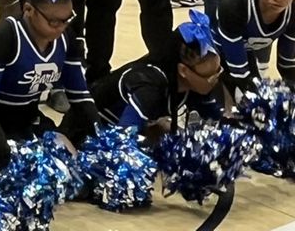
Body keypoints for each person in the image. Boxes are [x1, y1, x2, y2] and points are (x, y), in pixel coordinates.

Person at [0, 0, 97, 168]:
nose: (61, 28)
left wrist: (103, 137)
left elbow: (80, 96)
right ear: (28, 10)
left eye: (67, 20)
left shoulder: (66, 39)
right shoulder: (5, 37)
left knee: (73, 170)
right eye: (54, 21)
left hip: (29, 120)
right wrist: (3, 152)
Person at [67, 11, 222, 143]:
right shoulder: (148, 86)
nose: (215, 80)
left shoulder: (190, 84)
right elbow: (122, 142)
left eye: (218, 71)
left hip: (115, 135)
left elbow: (218, 119)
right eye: (210, 76)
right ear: (183, 71)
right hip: (82, 138)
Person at [213, 0, 295, 94]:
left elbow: (287, 65)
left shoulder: (293, 13)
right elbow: (239, 72)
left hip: (241, 55)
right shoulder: (235, 5)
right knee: (232, 109)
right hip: (205, 59)